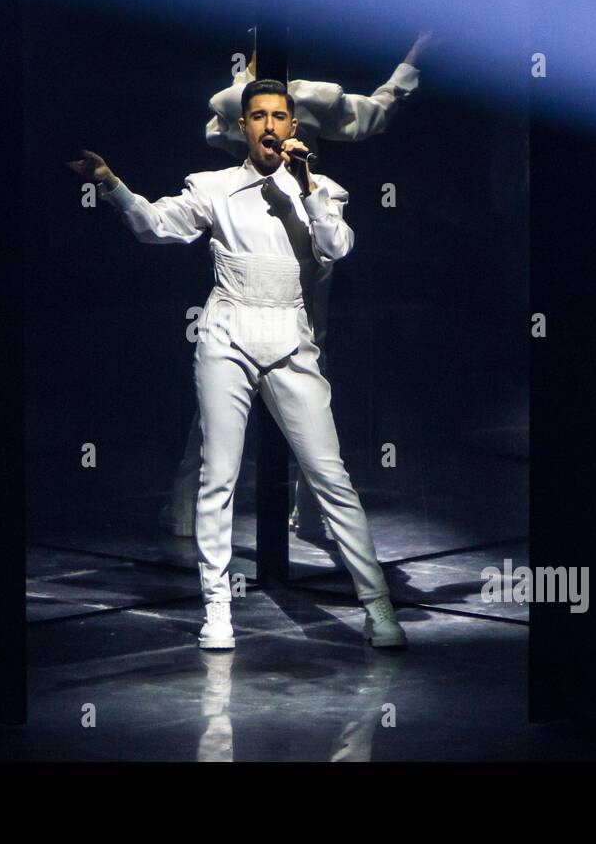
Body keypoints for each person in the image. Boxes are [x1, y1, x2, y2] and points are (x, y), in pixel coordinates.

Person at [66, 79, 407, 650]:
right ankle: (218, 609)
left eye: (279, 116)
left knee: (331, 477)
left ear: (294, 127)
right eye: (258, 116)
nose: (269, 126)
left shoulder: (323, 190)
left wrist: (306, 187)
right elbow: (155, 225)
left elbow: (338, 246)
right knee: (218, 477)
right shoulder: (214, 187)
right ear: (243, 126)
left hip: (290, 336)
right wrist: (111, 185)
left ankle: (377, 606)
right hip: (225, 332)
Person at [163, 32, 434, 544]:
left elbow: (373, 113)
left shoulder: (306, 98)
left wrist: (410, 65)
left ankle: (308, 512)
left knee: (310, 358)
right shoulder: (235, 102)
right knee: (230, 363)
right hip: (249, 231)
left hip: (304, 226)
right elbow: (218, 132)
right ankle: (190, 504)